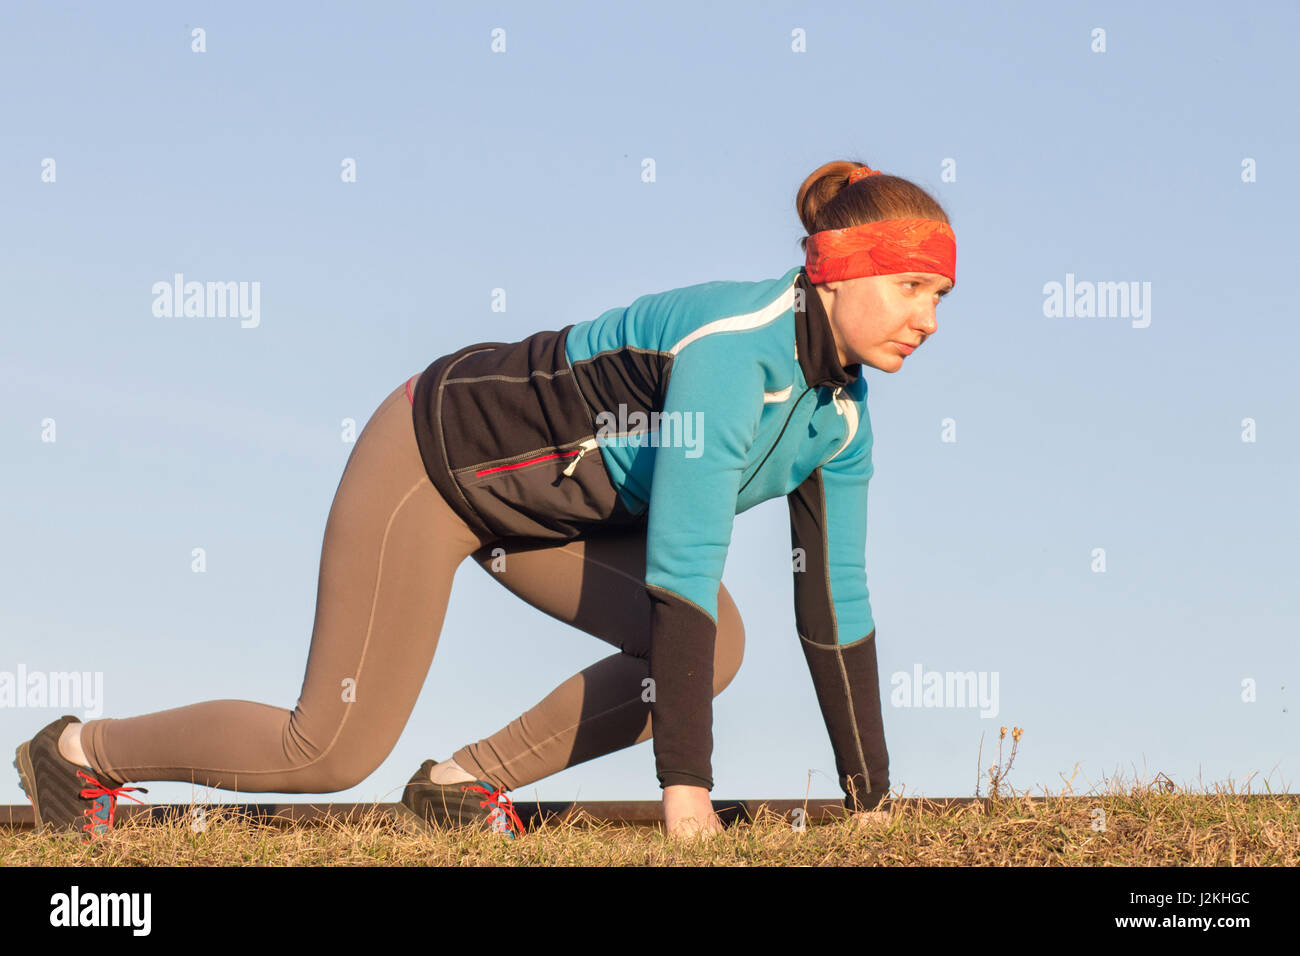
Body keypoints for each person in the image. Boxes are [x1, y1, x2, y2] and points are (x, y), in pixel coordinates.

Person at [14, 159, 955, 843]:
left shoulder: (841, 417)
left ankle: (462, 786)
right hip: (436, 462)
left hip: (547, 518)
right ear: (839, 270)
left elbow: (835, 605)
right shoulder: (731, 351)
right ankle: (79, 750)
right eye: (914, 287)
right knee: (328, 751)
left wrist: (872, 806)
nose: (930, 319)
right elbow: (684, 562)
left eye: (943, 296)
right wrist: (687, 795)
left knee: (720, 650)